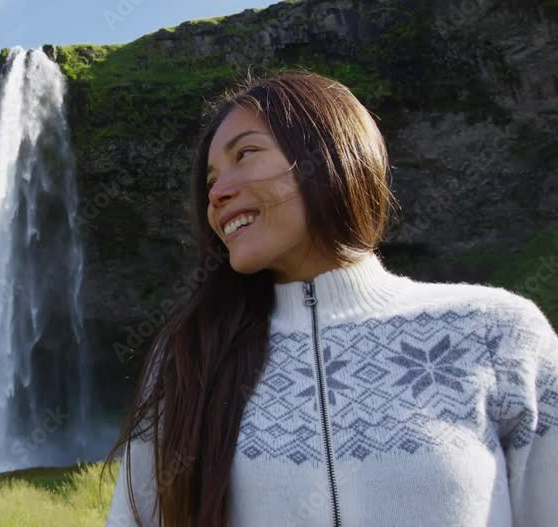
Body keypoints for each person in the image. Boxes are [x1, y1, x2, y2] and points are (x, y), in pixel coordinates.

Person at [103, 70, 558, 526]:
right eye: (210, 181)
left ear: (329, 154)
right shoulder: (188, 356)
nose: (218, 194)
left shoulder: (495, 333)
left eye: (246, 154)